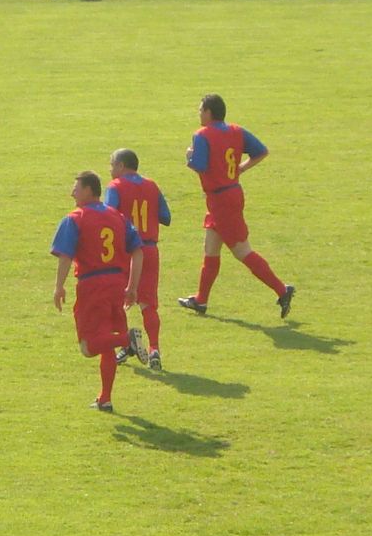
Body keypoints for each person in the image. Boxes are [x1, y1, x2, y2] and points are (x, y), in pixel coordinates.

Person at [179, 94, 295, 318]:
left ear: (209, 112)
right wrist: (240, 168)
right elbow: (261, 151)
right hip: (229, 193)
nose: (199, 113)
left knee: (242, 251)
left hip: (221, 199)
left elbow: (200, 165)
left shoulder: (202, 135)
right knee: (211, 249)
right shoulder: (236, 131)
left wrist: (189, 157)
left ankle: (282, 290)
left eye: (201, 110)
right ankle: (201, 300)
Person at [51, 170, 147, 412]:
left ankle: (128, 340)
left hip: (92, 286)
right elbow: (138, 251)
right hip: (117, 283)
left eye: (76, 188)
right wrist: (132, 286)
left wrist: (58, 286)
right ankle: (105, 398)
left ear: (89, 190)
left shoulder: (76, 218)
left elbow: (65, 256)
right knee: (107, 344)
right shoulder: (118, 217)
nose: (72, 192)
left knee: (88, 346)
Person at [104, 149, 171, 370]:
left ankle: (125, 342)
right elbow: (166, 217)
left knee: (115, 300)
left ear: (122, 166)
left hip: (126, 251)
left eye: (112, 165)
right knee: (148, 304)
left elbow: (108, 217)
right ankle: (154, 350)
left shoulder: (115, 187)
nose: (111, 170)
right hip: (150, 250)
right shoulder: (152, 185)